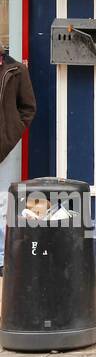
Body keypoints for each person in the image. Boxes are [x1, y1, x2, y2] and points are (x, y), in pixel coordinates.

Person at [0, 44, 36, 276]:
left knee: (3, 203)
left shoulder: (16, 71)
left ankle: (3, 258)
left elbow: (28, 108)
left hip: (4, 144)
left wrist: (11, 133)